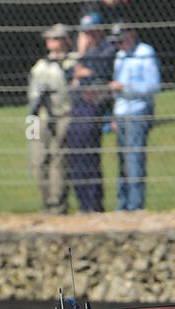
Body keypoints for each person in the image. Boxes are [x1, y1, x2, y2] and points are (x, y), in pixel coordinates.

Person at [67, 11, 117, 212]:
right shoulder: (86, 53)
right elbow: (69, 72)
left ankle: (94, 204)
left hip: (93, 107)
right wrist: (82, 72)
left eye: (93, 31)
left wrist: (84, 73)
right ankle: (83, 204)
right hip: (78, 106)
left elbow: (102, 73)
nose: (89, 35)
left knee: (89, 157)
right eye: (86, 32)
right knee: (76, 159)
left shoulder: (108, 50)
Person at [111, 24, 160, 211]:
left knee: (135, 158)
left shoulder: (145, 52)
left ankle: (135, 204)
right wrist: (114, 116)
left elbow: (153, 85)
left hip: (138, 111)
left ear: (132, 35)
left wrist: (126, 88)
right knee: (122, 159)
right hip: (121, 112)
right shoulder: (120, 56)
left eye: (121, 40)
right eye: (116, 42)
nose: (119, 45)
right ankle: (122, 203)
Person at [28, 24, 74, 214]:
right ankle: (46, 201)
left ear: (66, 41)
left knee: (58, 159)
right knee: (38, 161)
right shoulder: (40, 65)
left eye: (56, 38)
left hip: (62, 115)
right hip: (39, 118)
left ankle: (58, 204)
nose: (51, 42)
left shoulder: (72, 62)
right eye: (49, 39)